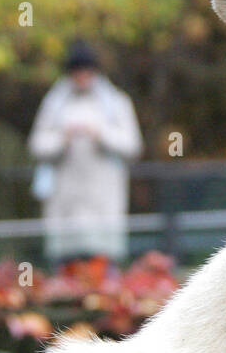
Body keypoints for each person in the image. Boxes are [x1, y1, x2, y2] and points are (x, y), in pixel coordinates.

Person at [28, 40, 143, 264]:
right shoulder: (54, 103)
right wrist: (63, 139)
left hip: (103, 199)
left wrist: (101, 135)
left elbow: (132, 145)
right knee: (67, 262)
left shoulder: (116, 102)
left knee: (101, 262)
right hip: (65, 200)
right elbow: (37, 145)